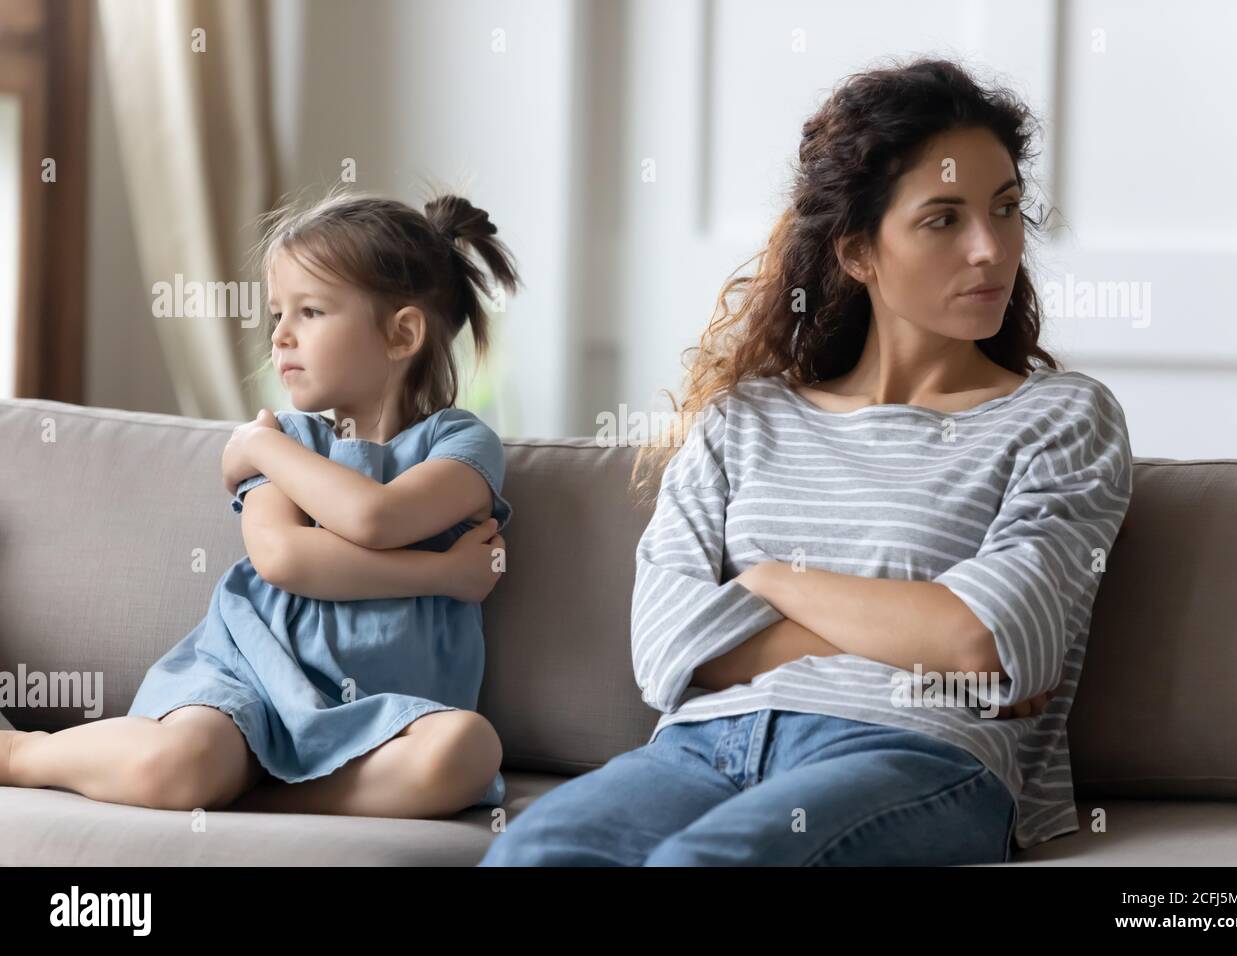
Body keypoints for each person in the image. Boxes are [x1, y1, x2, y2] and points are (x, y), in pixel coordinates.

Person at [479, 57, 1133, 866]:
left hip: (916, 754)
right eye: (944, 219)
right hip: (697, 750)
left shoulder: (1061, 418)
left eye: (1005, 210)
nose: (990, 249)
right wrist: (908, 633)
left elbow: (987, 645)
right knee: (529, 856)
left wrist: (768, 583)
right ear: (859, 252)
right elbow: (665, 647)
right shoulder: (741, 420)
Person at [0, 189, 520, 820]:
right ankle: (19, 752)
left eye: (310, 311)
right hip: (248, 684)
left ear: (401, 333)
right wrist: (439, 573)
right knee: (178, 766)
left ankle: (265, 793)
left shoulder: (462, 443)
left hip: (386, 714)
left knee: (470, 748)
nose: (280, 336)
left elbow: (376, 517)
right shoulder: (290, 441)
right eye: (277, 314)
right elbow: (282, 557)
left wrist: (256, 448)